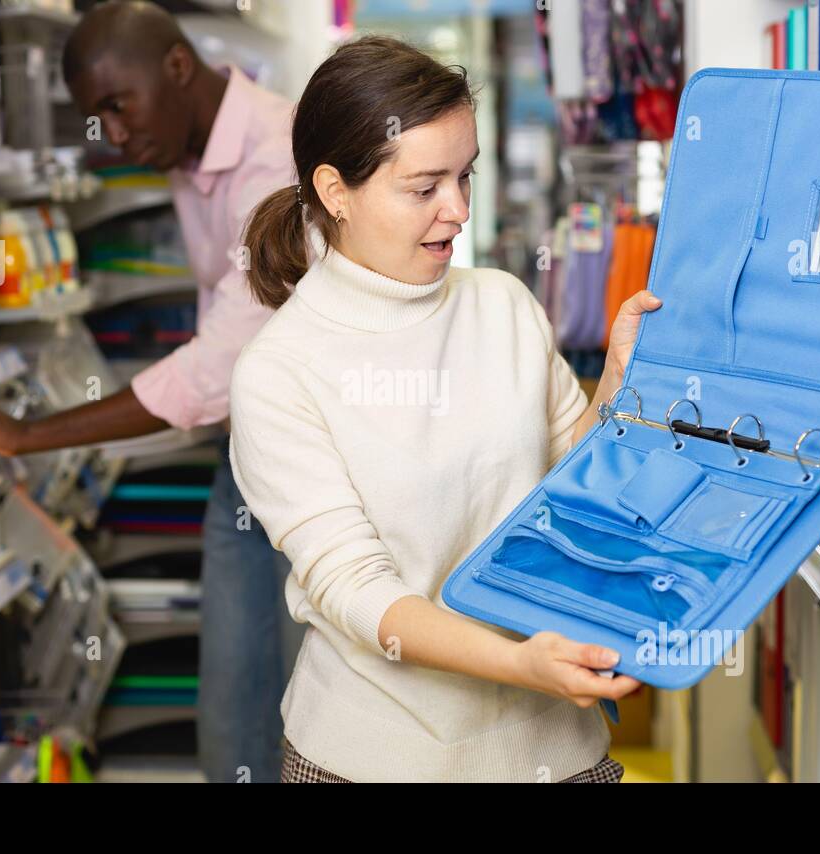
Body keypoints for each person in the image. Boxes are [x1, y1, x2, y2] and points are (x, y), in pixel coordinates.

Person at [231, 35, 659, 783]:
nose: (458, 210)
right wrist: (519, 661)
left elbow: (573, 483)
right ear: (334, 191)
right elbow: (360, 592)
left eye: (464, 177)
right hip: (374, 762)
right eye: (424, 187)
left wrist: (614, 384)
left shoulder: (502, 304)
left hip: (556, 751)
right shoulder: (279, 373)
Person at [0, 0, 303, 783]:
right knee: (230, 716)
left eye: (118, 106)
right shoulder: (190, 148)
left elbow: (216, 364)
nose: (111, 135)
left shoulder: (273, 156)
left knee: (307, 712)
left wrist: (25, 433)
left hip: (320, 473)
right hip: (245, 461)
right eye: (96, 117)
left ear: (178, 68)